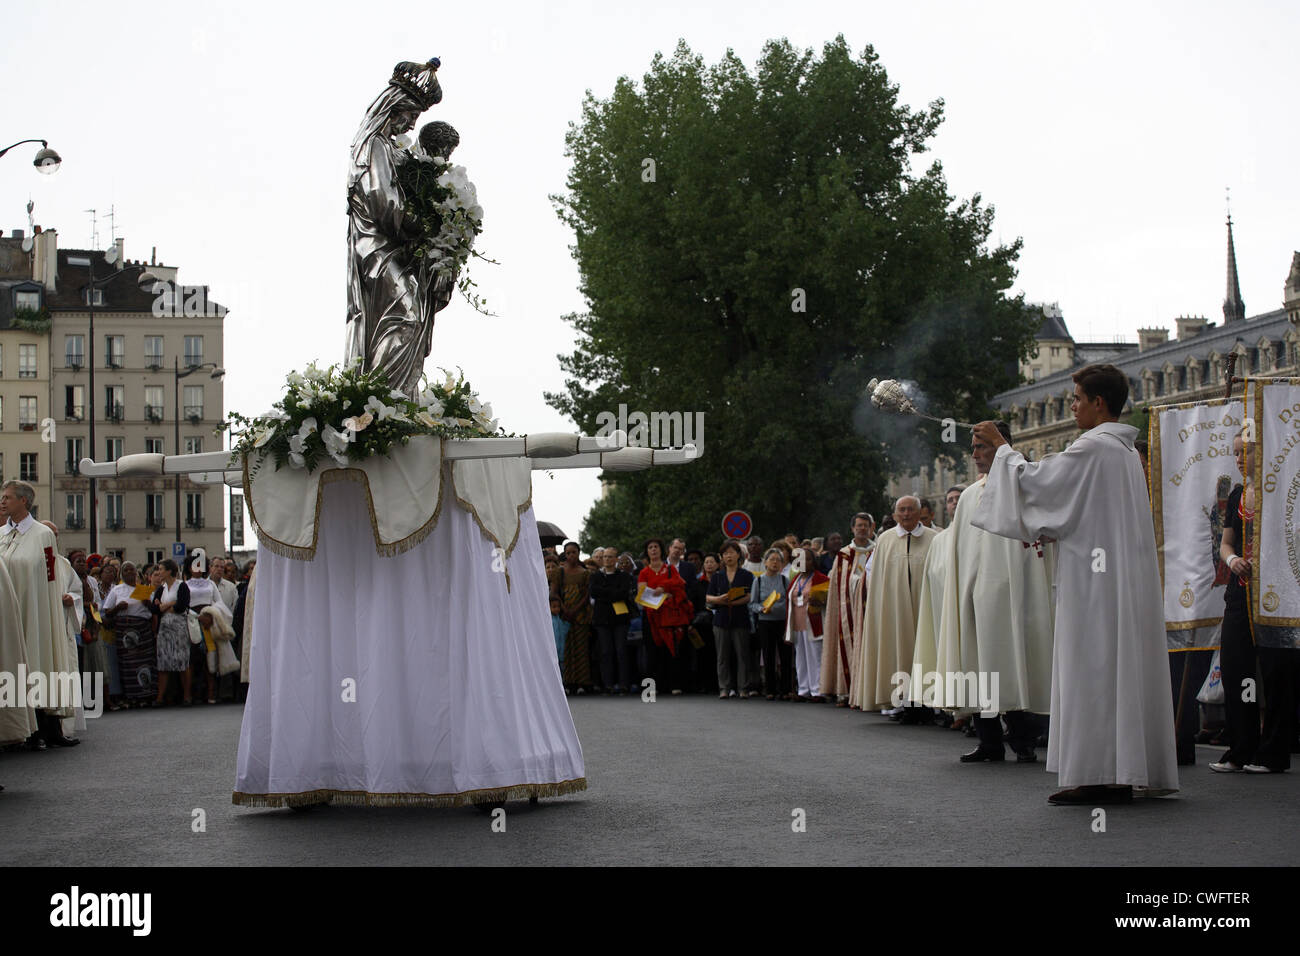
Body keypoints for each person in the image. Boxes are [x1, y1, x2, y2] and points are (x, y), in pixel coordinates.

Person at [972, 363, 1178, 804]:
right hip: (1118, 580)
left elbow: (1039, 485)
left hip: (1093, 585)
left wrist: (1002, 448)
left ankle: (1098, 774)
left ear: (1098, 403)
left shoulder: (1093, 448)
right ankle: (1123, 767)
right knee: (1117, 669)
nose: (1072, 406)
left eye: (1077, 399)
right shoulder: (1124, 453)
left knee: (1093, 668)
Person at [929, 425, 1053, 762]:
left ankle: (1024, 740)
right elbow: (963, 550)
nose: (974, 454)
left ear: (1003, 445)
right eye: (973, 446)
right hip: (977, 592)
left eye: (982, 446)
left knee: (1015, 661)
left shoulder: (1023, 485)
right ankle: (989, 741)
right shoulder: (969, 496)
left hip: (1016, 592)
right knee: (980, 664)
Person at [343, 58, 452, 395]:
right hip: (378, 249)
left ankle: (397, 400)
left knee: (409, 317)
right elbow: (384, 201)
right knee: (405, 317)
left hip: (397, 249)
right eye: (411, 116)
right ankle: (383, 404)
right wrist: (425, 228)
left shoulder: (391, 148)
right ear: (395, 107)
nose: (410, 125)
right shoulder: (374, 145)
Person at [0, 481, 78, 750]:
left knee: (37, 661)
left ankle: (44, 726)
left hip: (34, 609)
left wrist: (47, 610)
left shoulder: (43, 534)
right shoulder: (1, 534)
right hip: (6, 613)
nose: (3, 501)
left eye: (8, 497)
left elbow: (49, 577)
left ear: (24, 501)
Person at [852, 497, 937, 718]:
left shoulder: (934, 538)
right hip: (895, 610)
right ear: (895, 514)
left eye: (911, 510)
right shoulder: (885, 540)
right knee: (897, 650)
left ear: (919, 513)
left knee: (926, 651)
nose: (906, 514)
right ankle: (903, 702)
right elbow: (875, 577)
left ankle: (929, 703)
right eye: (902, 510)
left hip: (924, 607)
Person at [819, 514, 874, 707]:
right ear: (852, 529)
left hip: (869, 608)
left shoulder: (877, 550)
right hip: (847, 608)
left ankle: (866, 693)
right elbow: (836, 585)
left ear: (871, 528)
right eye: (859, 526)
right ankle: (844, 691)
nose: (862, 529)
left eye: (865, 526)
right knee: (845, 645)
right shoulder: (844, 554)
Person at [637, 538, 692, 695]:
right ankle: (654, 686)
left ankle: (674, 684)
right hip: (651, 615)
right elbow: (642, 593)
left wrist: (665, 591)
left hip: (669, 615)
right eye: (650, 547)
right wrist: (661, 593)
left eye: (656, 547)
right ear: (647, 551)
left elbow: (680, 590)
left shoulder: (670, 569)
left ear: (662, 550)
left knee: (672, 649)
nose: (653, 550)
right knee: (653, 651)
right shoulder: (644, 572)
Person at [101, 562, 156, 707]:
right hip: (124, 632)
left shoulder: (145, 590)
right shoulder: (116, 590)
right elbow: (107, 611)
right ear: (122, 574)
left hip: (142, 631)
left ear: (136, 573)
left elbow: (154, 611)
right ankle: (130, 696)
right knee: (127, 665)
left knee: (144, 663)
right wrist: (118, 607)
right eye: (126, 570)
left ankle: (145, 695)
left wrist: (147, 604)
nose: (129, 572)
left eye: (132, 569)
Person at [708, 541, 755, 698]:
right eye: (725, 553)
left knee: (742, 654)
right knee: (722, 656)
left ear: (738, 555)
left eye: (732, 552)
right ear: (721, 557)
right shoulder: (717, 576)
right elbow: (708, 596)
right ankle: (724, 687)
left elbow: (749, 596)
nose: (729, 556)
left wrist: (734, 602)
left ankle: (743, 688)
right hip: (721, 619)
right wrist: (720, 599)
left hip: (740, 618)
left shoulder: (746, 575)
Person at [784, 547, 829, 701]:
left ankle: (818, 690)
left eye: (807, 559)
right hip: (797, 623)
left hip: (814, 623)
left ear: (813, 561)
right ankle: (803, 689)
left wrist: (822, 600)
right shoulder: (795, 580)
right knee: (800, 657)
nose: (803, 562)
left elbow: (829, 599)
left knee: (815, 656)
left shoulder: (821, 578)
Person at [551, 541, 594, 694]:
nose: (571, 556)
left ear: (579, 553)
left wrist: (575, 609)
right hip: (564, 616)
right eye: (568, 553)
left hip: (581, 615)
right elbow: (554, 592)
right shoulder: (559, 572)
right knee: (566, 649)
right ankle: (569, 682)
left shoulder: (585, 573)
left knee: (581, 649)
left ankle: (583, 682)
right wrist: (563, 608)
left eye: (573, 552)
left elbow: (587, 595)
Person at [590, 546, 634, 694]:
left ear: (616, 559)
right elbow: (594, 592)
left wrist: (605, 593)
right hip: (602, 619)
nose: (607, 559)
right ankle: (607, 684)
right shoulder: (595, 576)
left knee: (621, 651)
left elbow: (622, 594)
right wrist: (611, 593)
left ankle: (623, 684)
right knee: (606, 652)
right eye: (605, 557)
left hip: (620, 619)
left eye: (610, 557)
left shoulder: (624, 576)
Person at [749, 548, 791, 700]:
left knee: (785, 656)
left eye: (778, 560)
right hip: (765, 622)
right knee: (768, 656)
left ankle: (785, 689)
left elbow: (789, 601)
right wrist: (762, 608)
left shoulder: (784, 580)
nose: (775, 562)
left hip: (782, 622)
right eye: (772, 559)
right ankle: (770, 689)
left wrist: (776, 607)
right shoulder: (758, 581)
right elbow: (752, 604)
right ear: (765, 562)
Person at [152, 559, 193, 707]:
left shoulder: (181, 586)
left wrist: (165, 605)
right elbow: (154, 609)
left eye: (161, 569)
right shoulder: (161, 589)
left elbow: (182, 606)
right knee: (163, 662)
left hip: (179, 628)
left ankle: (187, 695)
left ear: (169, 571)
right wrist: (168, 605)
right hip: (164, 629)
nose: (159, 572)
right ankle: (160, 697)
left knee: (182, 661)